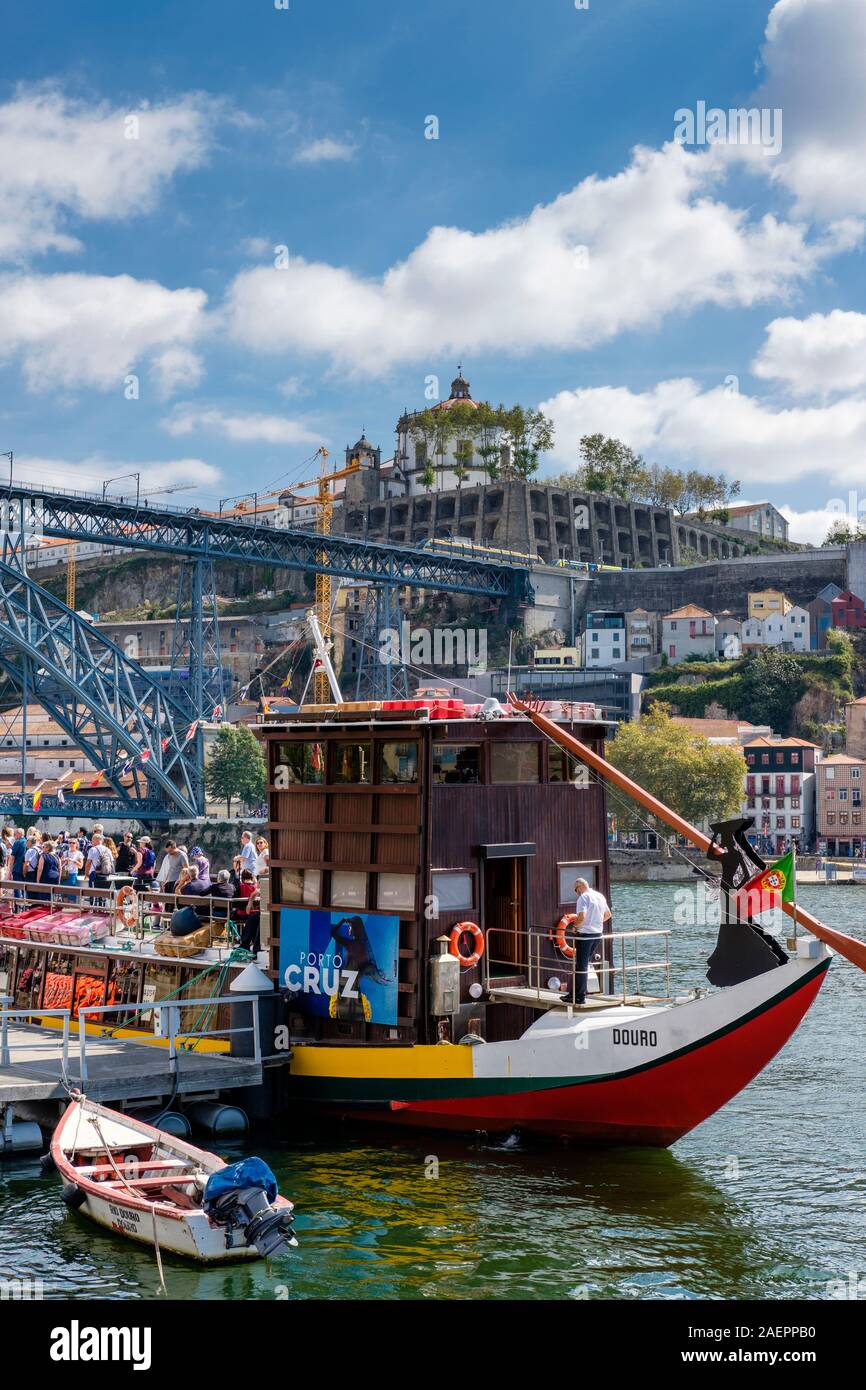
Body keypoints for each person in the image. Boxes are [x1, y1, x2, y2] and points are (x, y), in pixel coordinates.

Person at [571, 876, 612, 1006]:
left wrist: (575, 926)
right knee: (585, 963)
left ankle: (579, 996)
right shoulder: (600, 896)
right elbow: (608, 915)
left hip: (586, 935)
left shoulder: (583, 897)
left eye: (576, 890)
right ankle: (574, 993)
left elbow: (581, 916)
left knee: (581, 965)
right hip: (597, 934)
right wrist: (596, 923)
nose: (577, 893)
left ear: (580, 887)